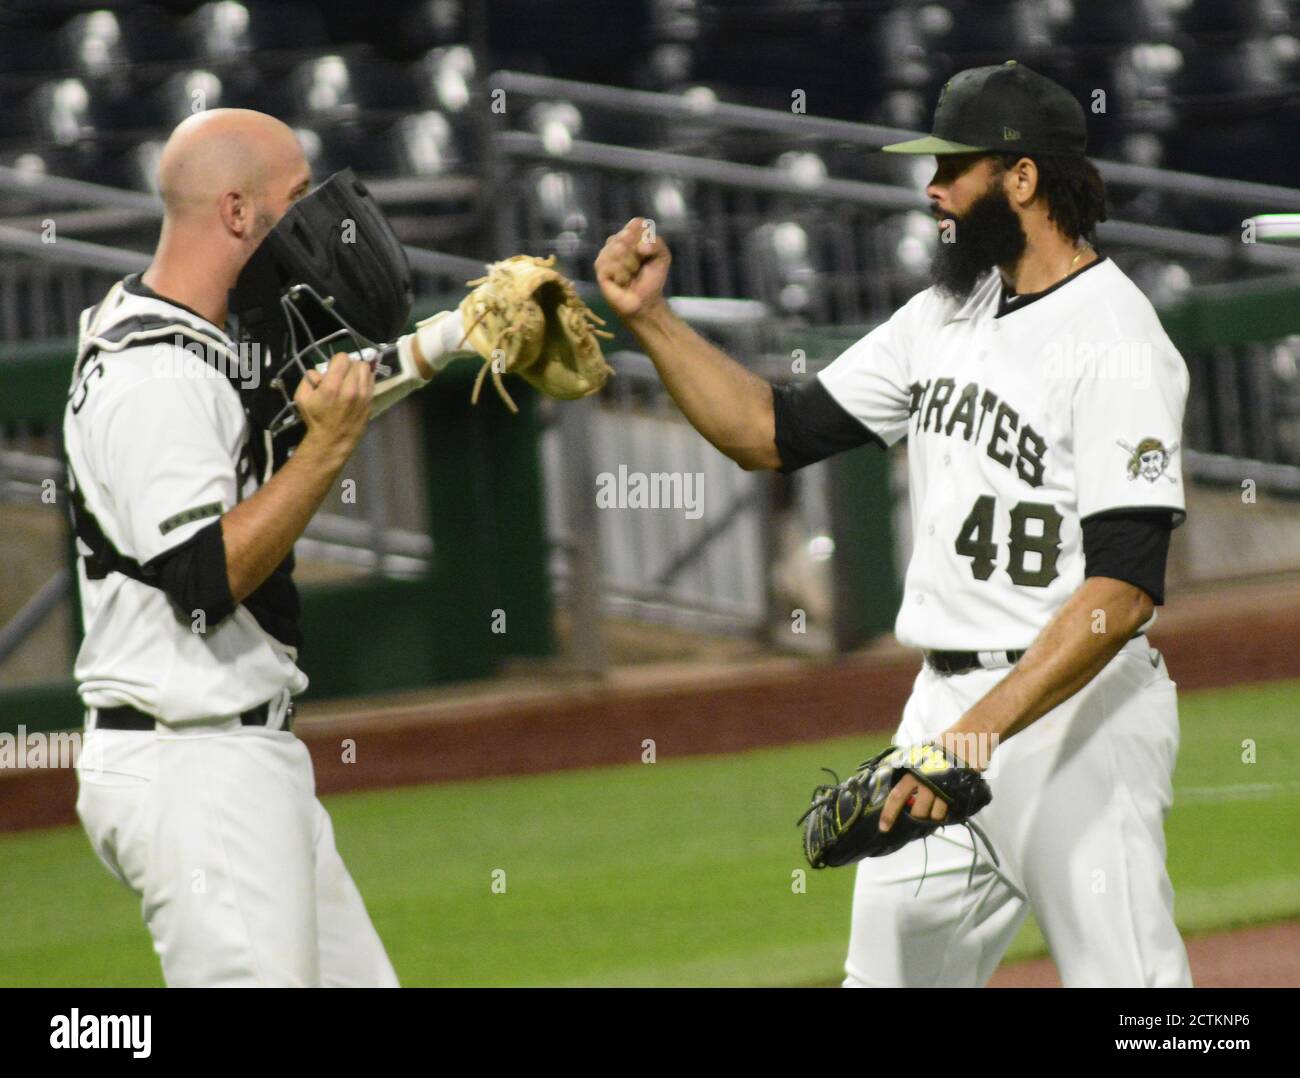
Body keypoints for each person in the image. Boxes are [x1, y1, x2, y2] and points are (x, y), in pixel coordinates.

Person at [595, 61, 1193, 987]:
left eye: (955, 166)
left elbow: (1124, 589)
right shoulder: (943, 314)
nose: (933, 187)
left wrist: (980, 733)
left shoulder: (1118, 341)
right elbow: (771, 431)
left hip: (1077, 719)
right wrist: (653, 321)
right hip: (943, 713)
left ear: (1021, 178)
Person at [66, 109, 407, 987]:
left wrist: (462, 334)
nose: (313, 221)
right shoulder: (157, 376)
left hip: (235, 758)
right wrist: (330, 451)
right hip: (195, 766)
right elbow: (202, 576)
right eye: (294, 199)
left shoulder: (193, 338)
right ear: (235, 212)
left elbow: (316, 398)